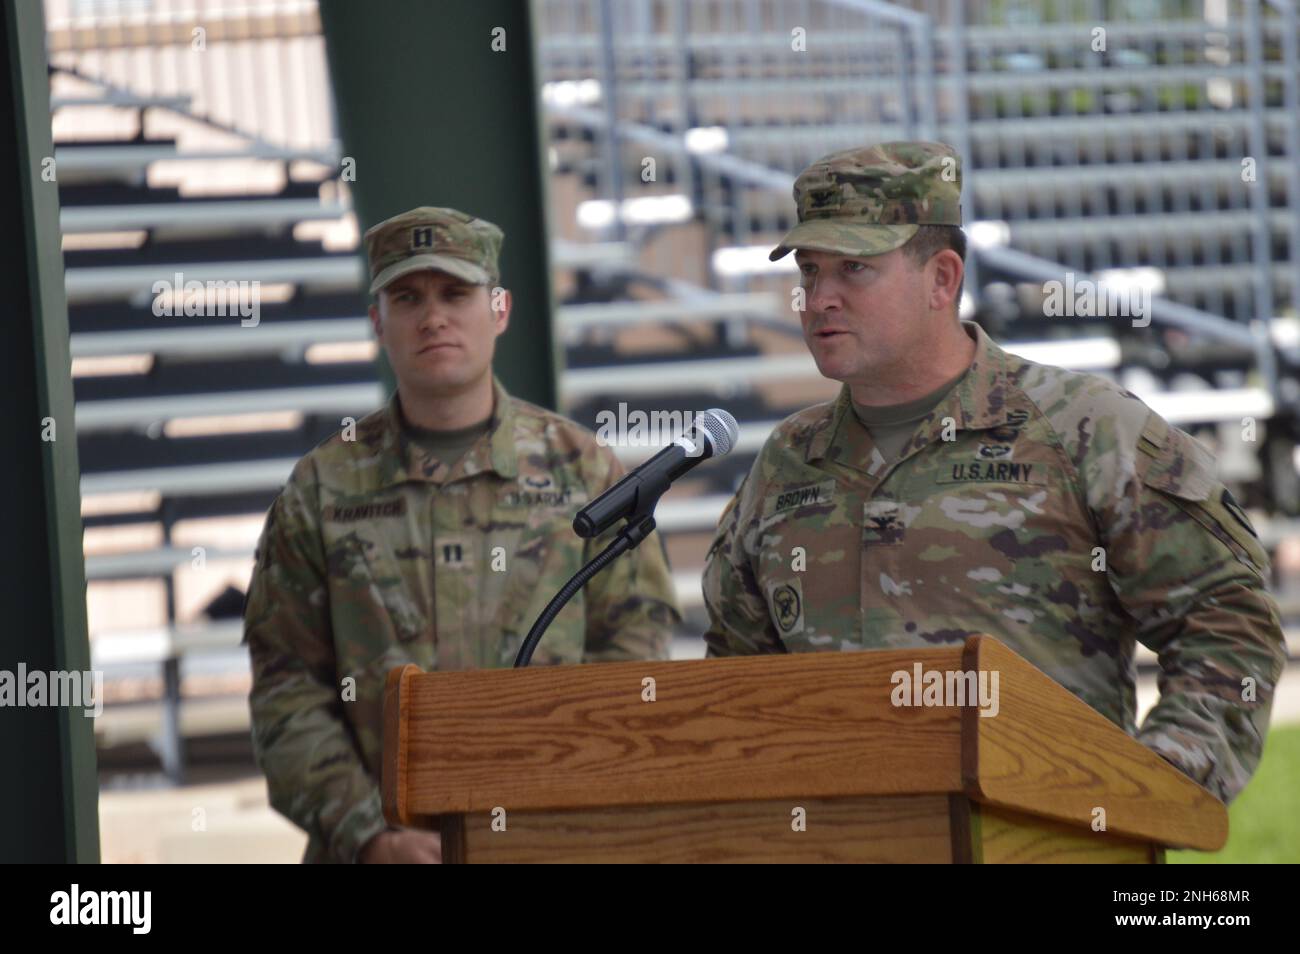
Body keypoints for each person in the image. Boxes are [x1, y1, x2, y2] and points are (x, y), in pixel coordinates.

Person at [701, 142, 1286, 805]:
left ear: (941, 279)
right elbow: (739, 680)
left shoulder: (1083, 430)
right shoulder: (787, 462)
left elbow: (1223, 619)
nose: (818, 298)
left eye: (854, 269)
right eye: (810, 271)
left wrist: (1149, 786)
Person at [245, 206, 682, 863]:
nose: (433, 317)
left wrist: (565, 802)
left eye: (456, 294)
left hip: (554, 844)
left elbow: (636, 654)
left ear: (500, 310)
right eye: (407, 297)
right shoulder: (321, 489)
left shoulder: (584, 472)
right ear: (377, 323)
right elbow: (286, 690)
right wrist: (370, 833)